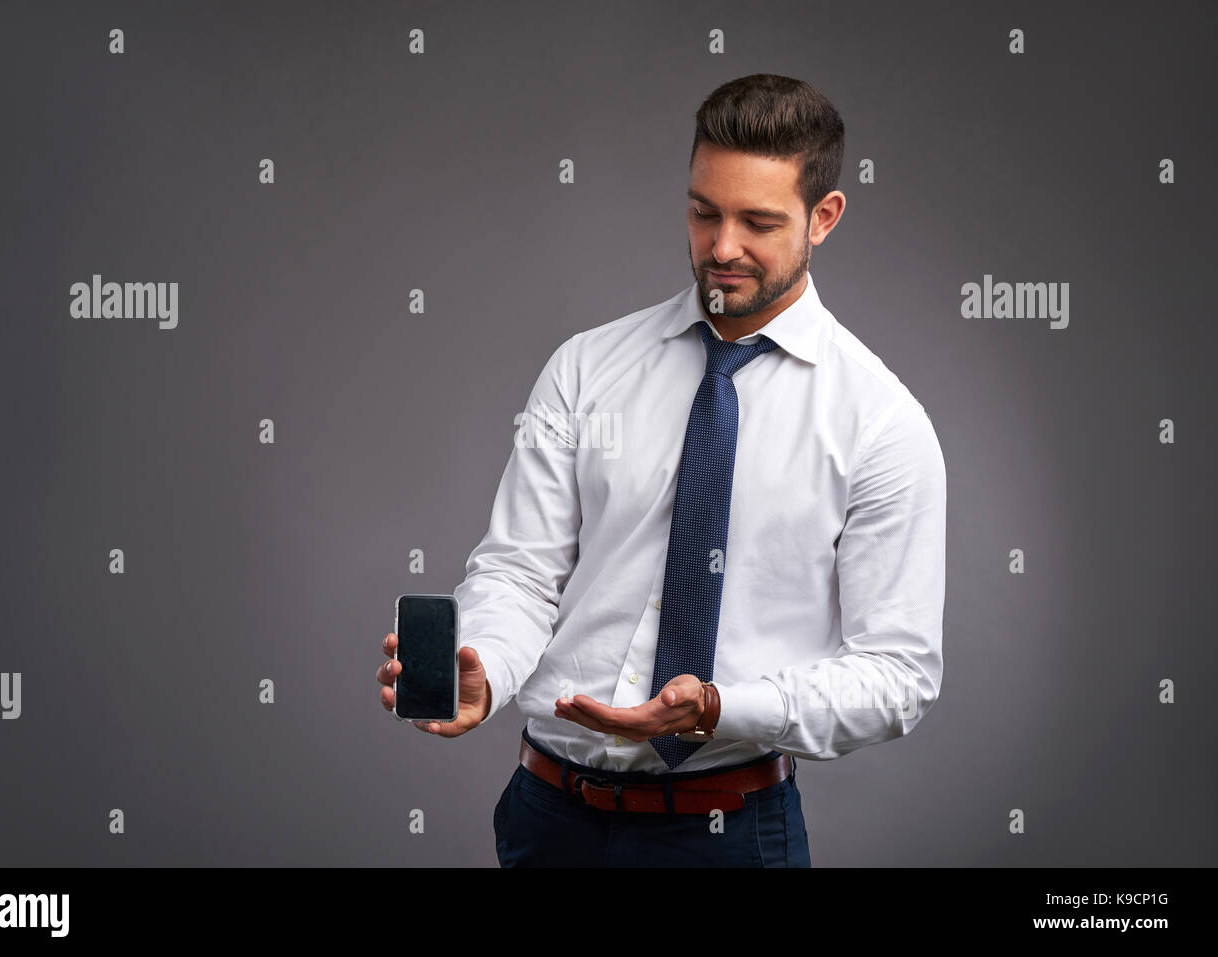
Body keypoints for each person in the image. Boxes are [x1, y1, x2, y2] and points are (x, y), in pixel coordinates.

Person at [377, 73, 947, 867]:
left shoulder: (881, 424)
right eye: (703, 210)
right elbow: (520, 572)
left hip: (727, 834)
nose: (721, 247)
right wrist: (488, 667)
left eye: (758, 221)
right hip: (548, 820)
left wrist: (719, 708)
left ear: (825, 217)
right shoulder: (585, 368)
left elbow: (896, 675)